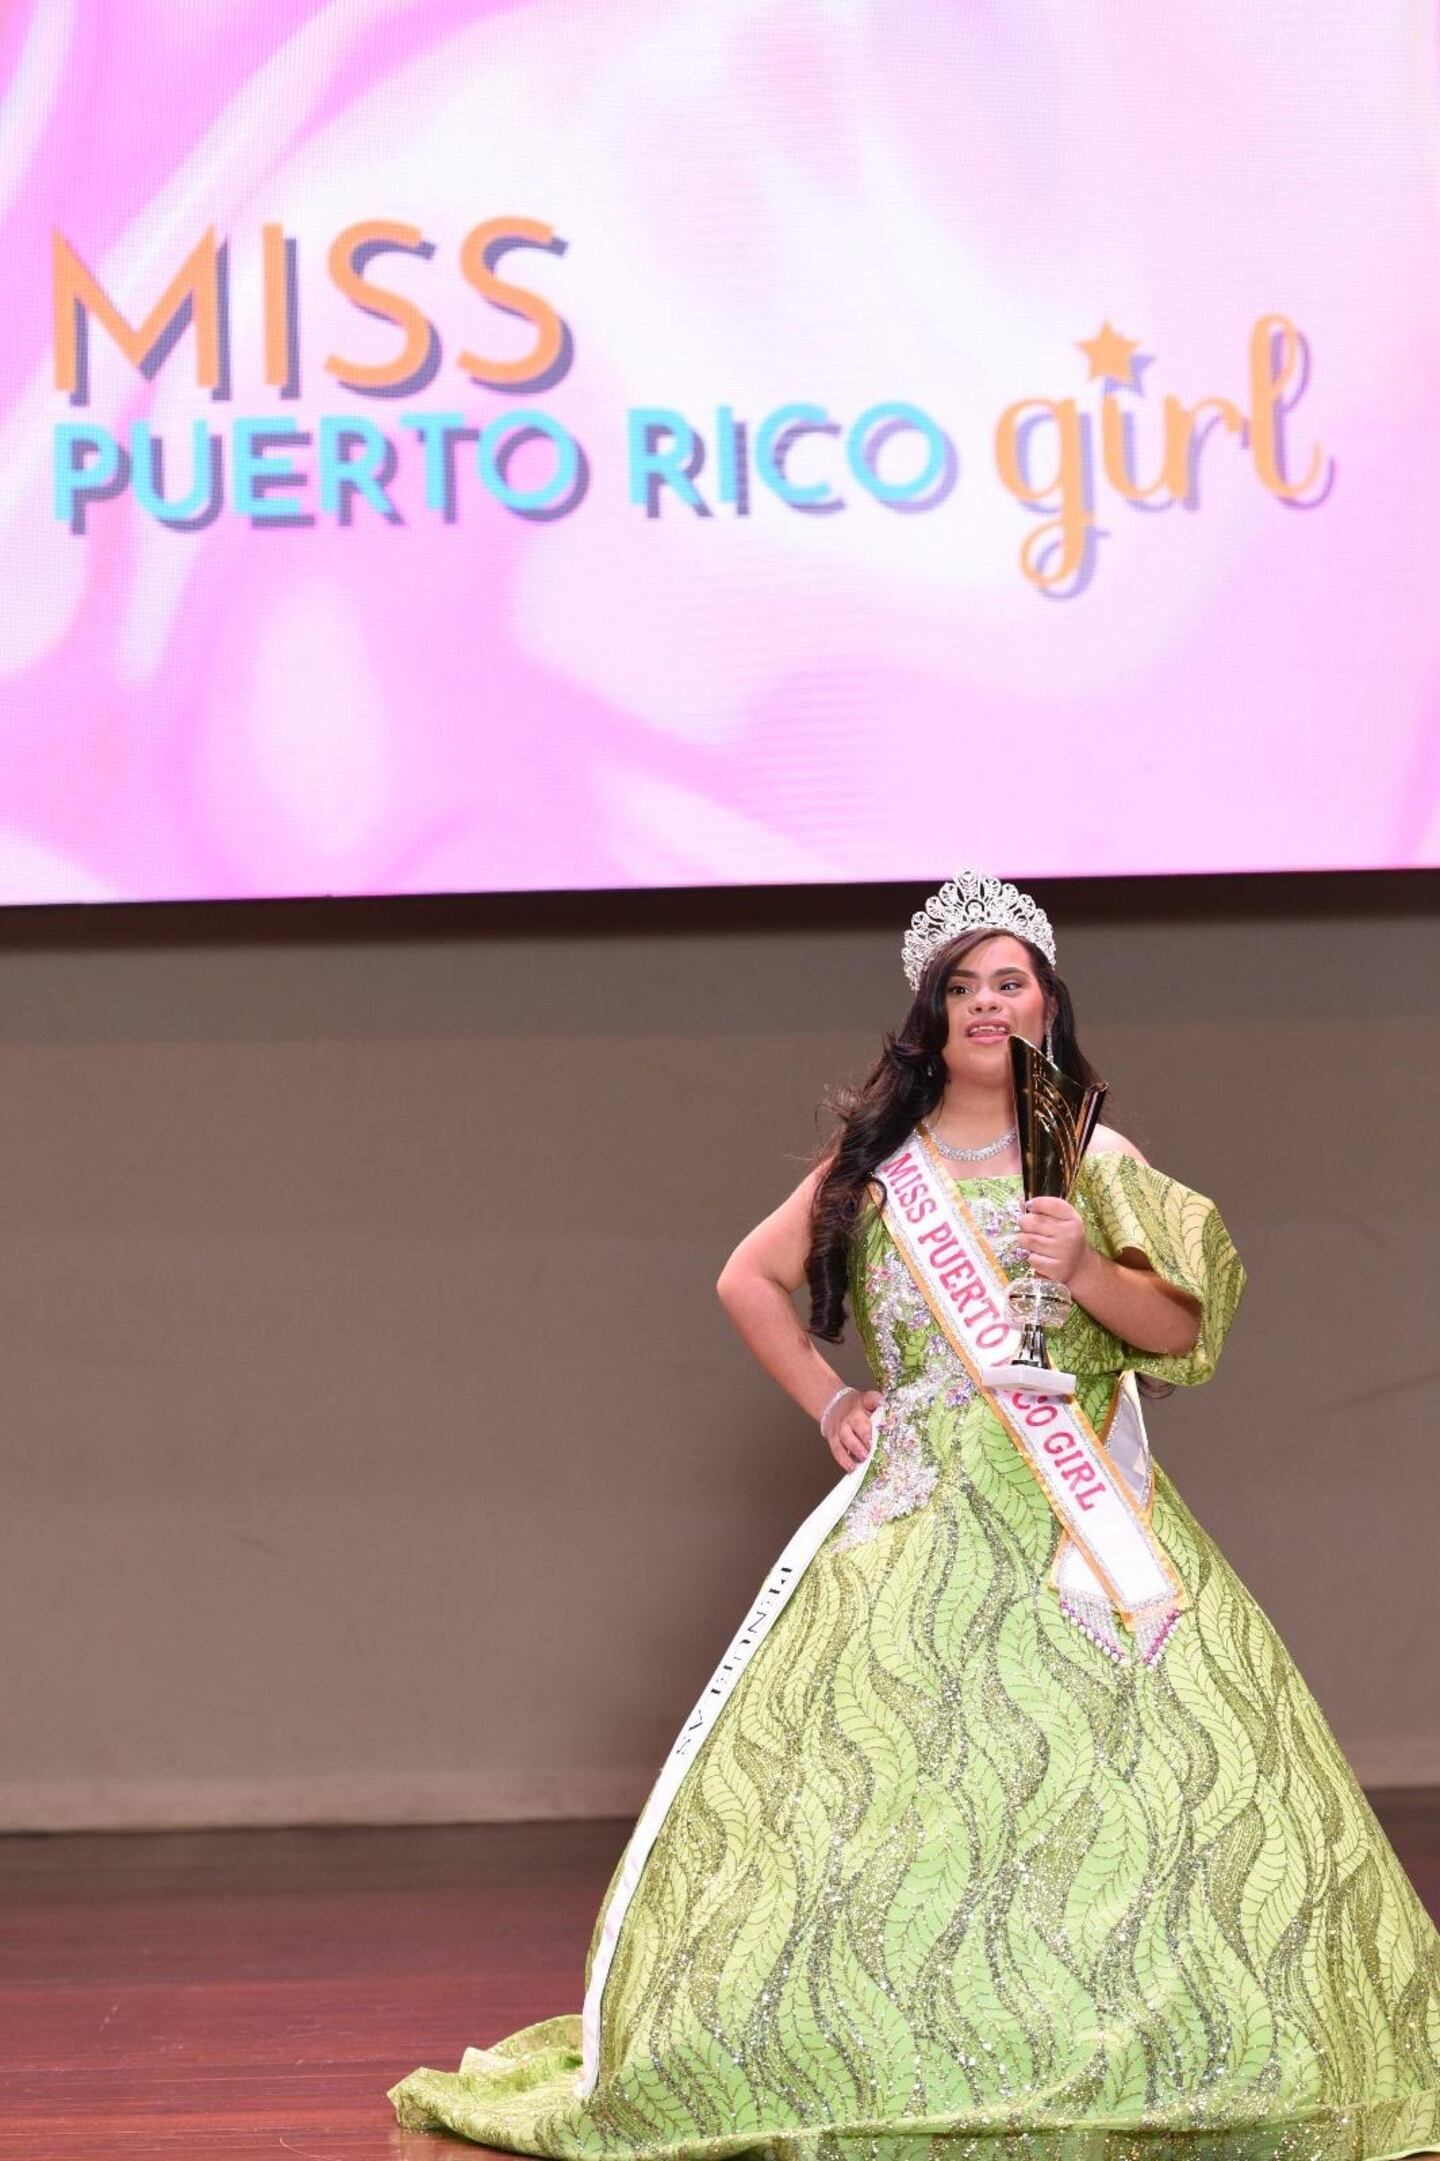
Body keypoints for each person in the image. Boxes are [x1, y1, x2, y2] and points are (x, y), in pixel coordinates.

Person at [391, 872, 1440, 2160]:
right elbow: (749, 1278)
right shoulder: (881, 1167)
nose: (988, 1004)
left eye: (1010, 981)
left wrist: (1089, 1269)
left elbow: (1182, 1335)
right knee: (886, 1792)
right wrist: (833, 1399)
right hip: (921, 1515)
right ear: (928, 1016)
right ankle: (878, 2044)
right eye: (962, 986)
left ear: (1048, 1002)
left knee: (1122, 1799)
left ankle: (1110, 2042)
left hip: (1079, 1525)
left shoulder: (1102, 1159)